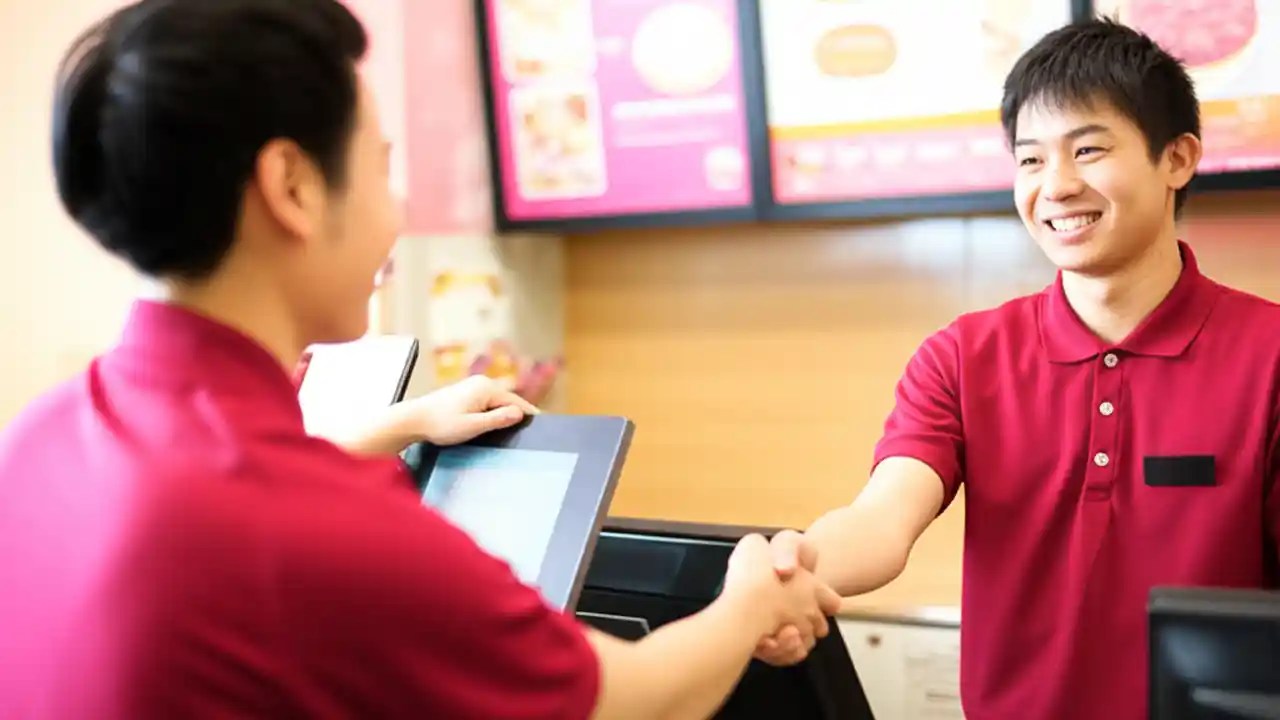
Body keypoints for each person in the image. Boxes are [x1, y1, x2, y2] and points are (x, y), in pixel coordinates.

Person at [0, 1, 841, 718]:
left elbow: (217, 505)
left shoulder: (39, 441)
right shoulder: (330, 531)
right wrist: (749, 602)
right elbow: (631, 696)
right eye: (382, 168)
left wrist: (406, 421)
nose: (398, 212)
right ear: (291, 186)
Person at [757, 18, 1280, 720]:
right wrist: (795, 567)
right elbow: (883, 518)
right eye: (1030, 160)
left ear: (1178, 159)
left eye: (1088, 150)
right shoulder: (963, 356)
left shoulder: (1270, 354)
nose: (1056, 186)